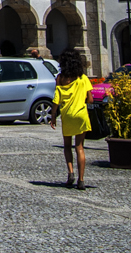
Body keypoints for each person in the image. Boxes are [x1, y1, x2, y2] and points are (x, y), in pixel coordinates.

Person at [51, 50, 93, 190]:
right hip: (81, 114)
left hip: (67, 115)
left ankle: (70, 172)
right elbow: (90, 99)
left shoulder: (60, 78)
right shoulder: (83, 78)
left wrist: (53, 115)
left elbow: (56, 99)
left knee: (67, 146)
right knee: (79, 147)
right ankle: (81, 180)